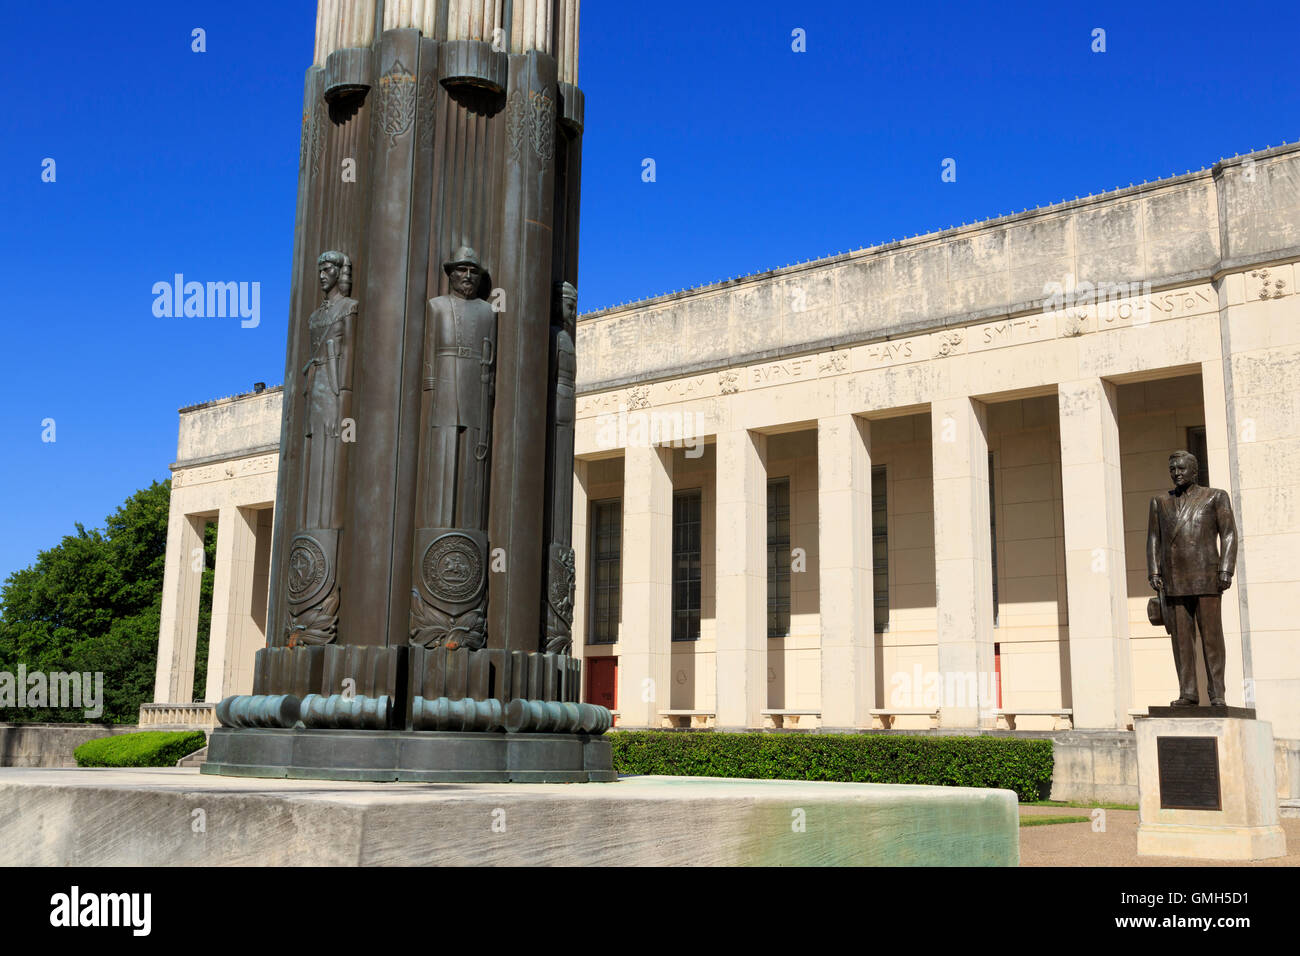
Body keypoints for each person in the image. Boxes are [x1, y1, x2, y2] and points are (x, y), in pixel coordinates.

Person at [1146, 450, 1237, 706]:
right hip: (1174, 579)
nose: (1176, 473)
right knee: (1181, 641)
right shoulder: (1160, 502)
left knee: (1212, 638)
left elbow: (1229, 534)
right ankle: (1188, 692)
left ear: (1194, 471)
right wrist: (1154, 571)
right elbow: (1154, 539)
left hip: (1207, 577)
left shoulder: (1215, 497)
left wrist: (1225, 570)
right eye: (1172, 469)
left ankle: (1217, 692)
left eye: (1181, 468)